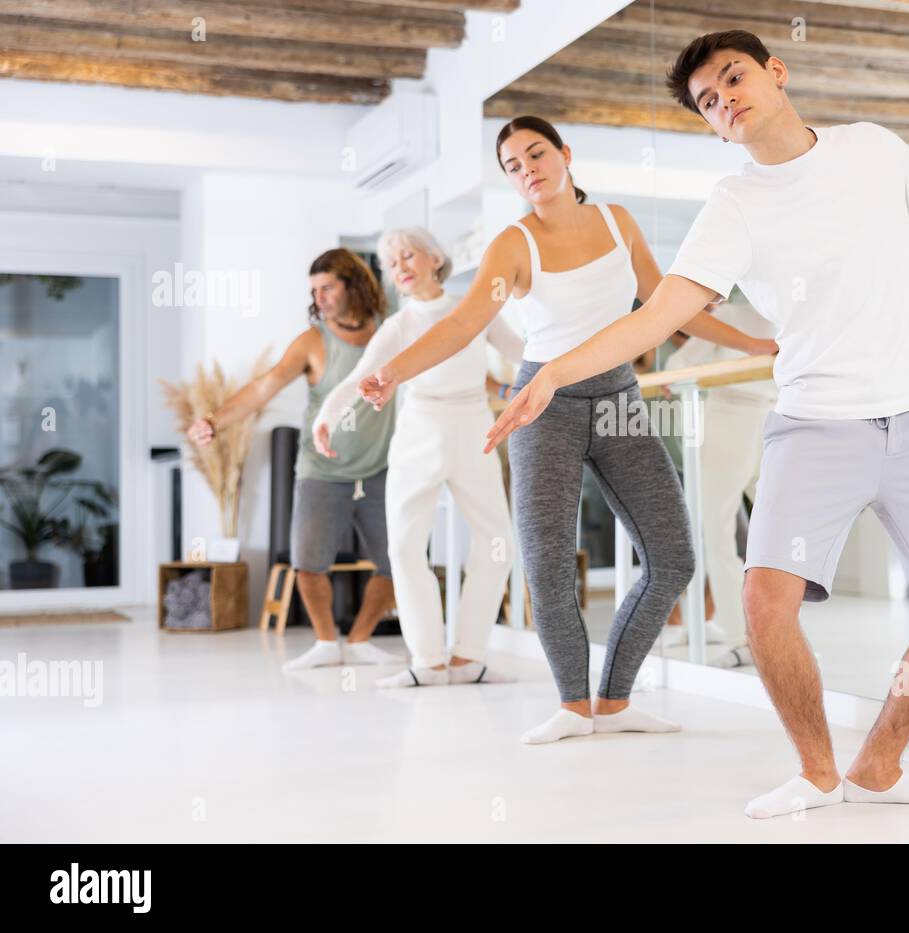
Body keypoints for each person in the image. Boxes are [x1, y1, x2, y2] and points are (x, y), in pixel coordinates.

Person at [485, 30, 909, 818]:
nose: (726, 101)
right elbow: (658, 314)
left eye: (734, 79)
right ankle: (819, 771)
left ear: (775, 72)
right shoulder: (733, 206)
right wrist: (551, 371)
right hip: (816, 421)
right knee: (763, 602)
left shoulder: (873, 149)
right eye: (709, 103)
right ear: (712, 126)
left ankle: (880, 763)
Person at [354, 116, 777, 744]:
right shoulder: (514, 244)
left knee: (672, 558)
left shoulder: (617, 223)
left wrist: (751, 344)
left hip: (619, 401)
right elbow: (467, 321)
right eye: (514, 166)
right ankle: (573, 705)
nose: (528, 170)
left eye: (536, 154)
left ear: (565, 154)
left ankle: (614, 699)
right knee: (548, 564)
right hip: (541, 404)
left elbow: (666, 305)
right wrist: (392, 371)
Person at [314, 227, 521, 688]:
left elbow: (525, 353)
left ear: (433, 257)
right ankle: (428, 661)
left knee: (496, 542)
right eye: (391, 263)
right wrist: (326, 417)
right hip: (419, 431)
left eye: (407, 255)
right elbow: (360, 377)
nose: (399, 267)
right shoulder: (398, 326)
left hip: (473, 428)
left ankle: (469, 657)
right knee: (405, 547)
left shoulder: (474, 307)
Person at [187, 249, 399, 671]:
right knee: (308, 562)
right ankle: (325, 642)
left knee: (399, 563)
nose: (319, 298)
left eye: (327, 287)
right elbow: (265, 387)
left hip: (380, 468)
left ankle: (357, 641)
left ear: (352, 284)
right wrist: (215, 420)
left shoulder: (389, 330)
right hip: (322, 471)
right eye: (314, 291)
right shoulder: (313, 341)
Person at [660, 295, 778, 664]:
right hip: (763, 421)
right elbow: (678, 364)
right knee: (770, 535)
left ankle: (742, 634)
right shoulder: (782, 311)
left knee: (719, 532)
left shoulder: (732, 314)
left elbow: (677, 364)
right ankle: (752, 632)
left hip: (746, 421)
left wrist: (676, 381)